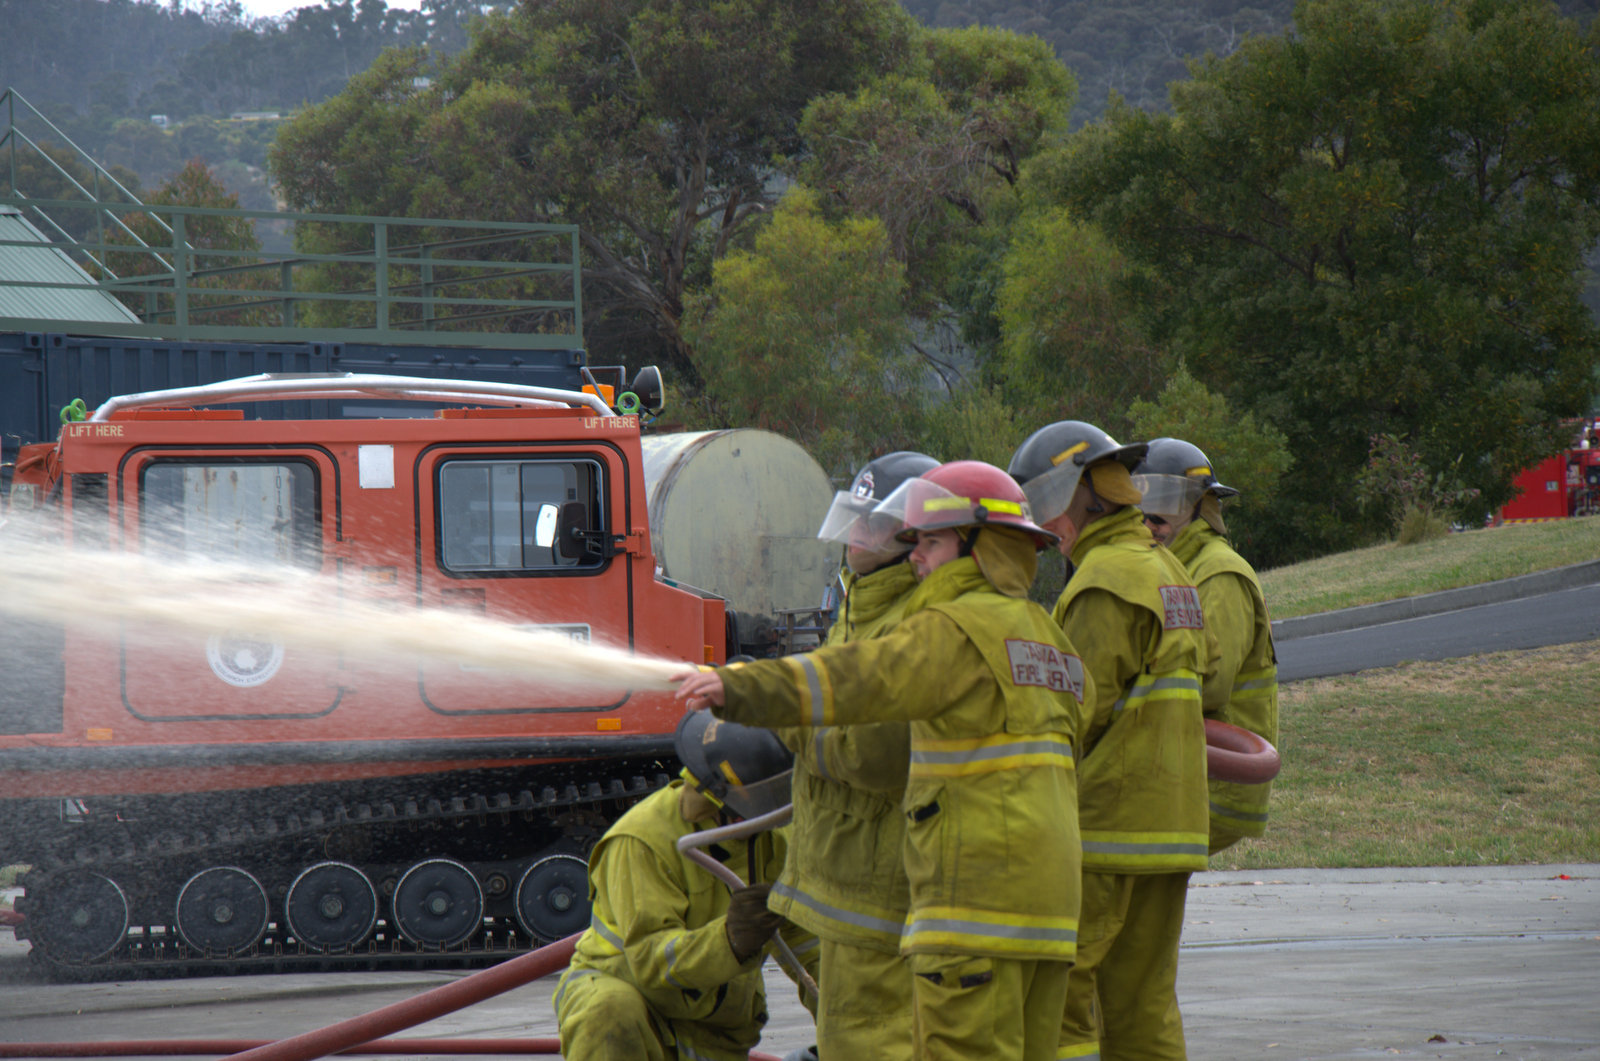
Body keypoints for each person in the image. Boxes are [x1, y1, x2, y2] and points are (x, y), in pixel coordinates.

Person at [676, 460, 1091, 1061]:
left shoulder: (951, 628)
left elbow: (862, 678)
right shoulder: (1048, 637)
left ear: (979, 544)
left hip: (969, 904)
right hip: (1048, 909)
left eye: (931, 540)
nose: (916, 554)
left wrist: (742, 689)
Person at [1008, 422, 1209, 1061]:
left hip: (1105, 829)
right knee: (1143, 1004)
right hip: (1169, 826)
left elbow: (1073, 713)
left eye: (1044, 506)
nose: (1044, 529)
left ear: (1081, 495)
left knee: (1064, 1001)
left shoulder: (1101, 581)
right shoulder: (1168, 567)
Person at [772, 450, 936, 1060]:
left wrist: (785, 717)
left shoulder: (912, 618)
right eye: (854, 518)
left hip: (883, 884)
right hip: (849, 877)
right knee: (847, 1035)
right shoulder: (863, 602)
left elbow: (874, 754)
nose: (854, 536)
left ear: (913, 537)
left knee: (874, 1041)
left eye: (872, 524)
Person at [554, 710, 817, 1061]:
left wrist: (858, 1024)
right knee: (609, 1010)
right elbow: (651, 960)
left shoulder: (773, 838)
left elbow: (812, 950)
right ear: (719, 793)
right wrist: (731, 940)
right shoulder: (642, 839)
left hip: (715, 1030)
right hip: (634, 1010)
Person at [1133, 437, 1279, 854]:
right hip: (1186, 771)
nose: (1149, 520)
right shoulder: (1178, 566)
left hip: (1216, 781)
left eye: (1165, 503)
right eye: (1139, 506)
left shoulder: (1217, 573)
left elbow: (1208, 685)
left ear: (1202, 507)